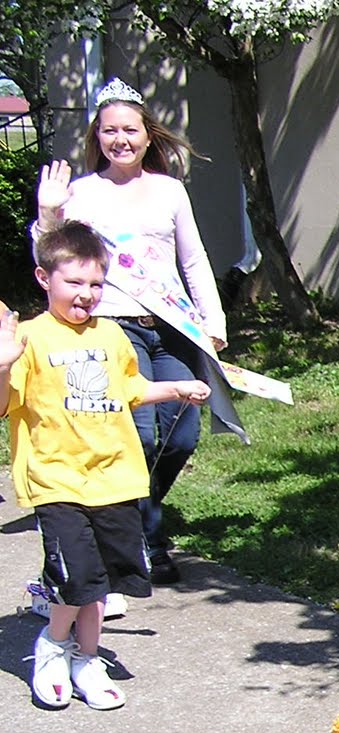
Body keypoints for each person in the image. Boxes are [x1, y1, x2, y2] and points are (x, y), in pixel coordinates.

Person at [2, 221, 209, 710]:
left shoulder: (112, 335)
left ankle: (87, 658)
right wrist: (4, 363)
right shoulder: (28, 338)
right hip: (56, 480)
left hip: (115, 478)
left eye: (96, 283)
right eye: (74, 281)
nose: (86, 293)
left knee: (104, 582)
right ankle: (54, 646)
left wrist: (176, 389)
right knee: (75, 577)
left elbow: (129, 390)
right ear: (44, 277)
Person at [34, 77, 227, 587]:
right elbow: (50, 255)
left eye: (130, 130)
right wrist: (50, 211)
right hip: (113, 327)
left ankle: (132, 515)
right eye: (109, 131)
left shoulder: (169, 190)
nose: (120, 139)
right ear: (97, 136)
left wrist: (213, 322)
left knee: (181, 436)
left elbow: (193, 259)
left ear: (147, 135)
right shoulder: (80, 193)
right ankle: (149, 541)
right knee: (136, 435)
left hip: (172, 325)